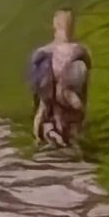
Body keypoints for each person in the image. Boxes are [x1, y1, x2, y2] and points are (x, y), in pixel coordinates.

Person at [26, 8, 91, 148]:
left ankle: (46, 136)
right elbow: (83, 97)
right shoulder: (80, 52)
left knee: (45, 113)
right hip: (62, 113)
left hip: (53, 116)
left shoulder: (43, 53)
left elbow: (36, 96)